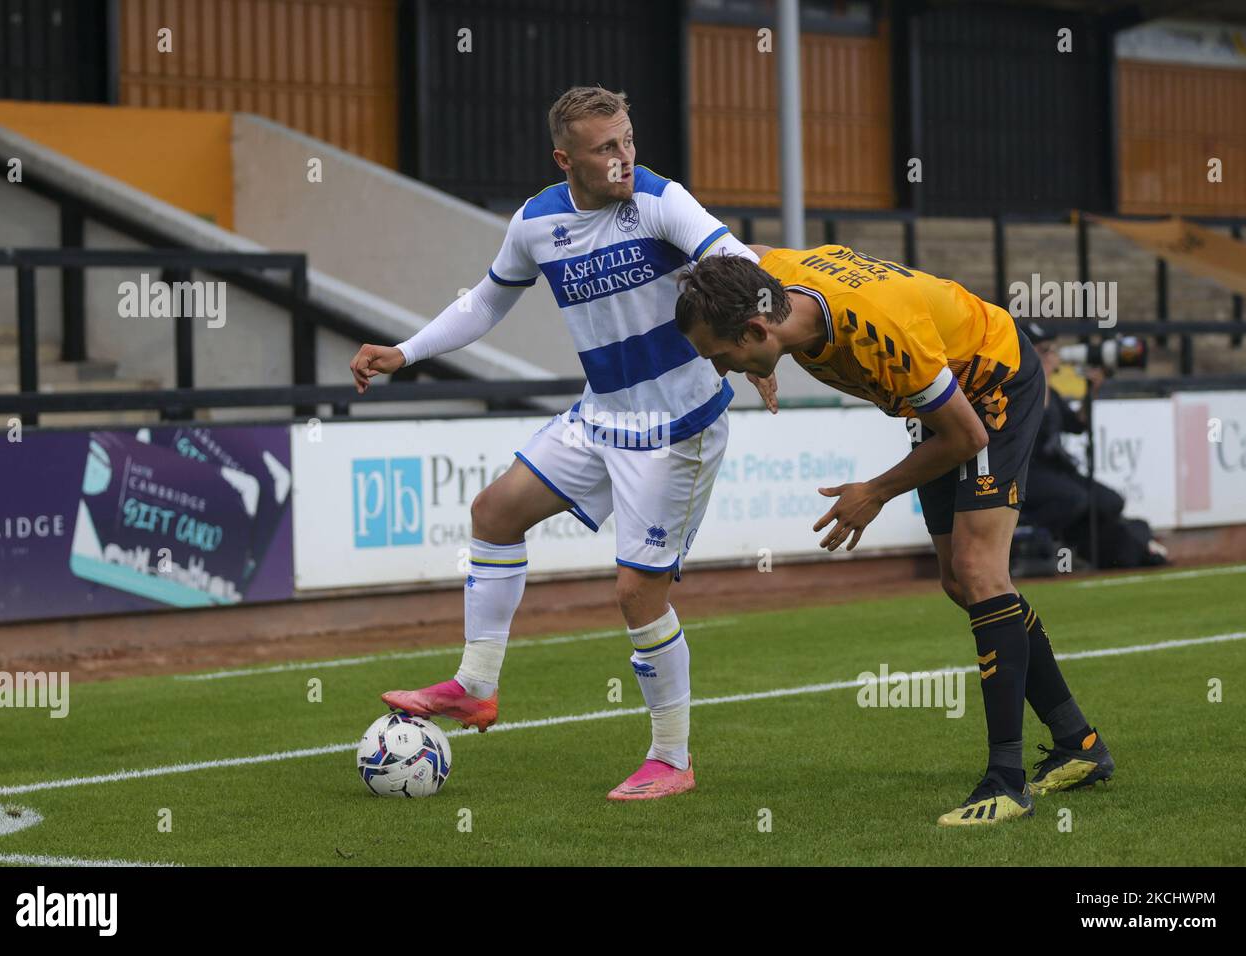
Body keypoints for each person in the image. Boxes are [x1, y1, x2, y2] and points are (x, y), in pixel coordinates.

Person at [348, 87, 774, 801]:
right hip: (601, 415)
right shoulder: (537, 222)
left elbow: (739, 263)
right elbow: (486, 299)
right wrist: (405, 351)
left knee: (637, 592)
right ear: (565, 158)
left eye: (628, 140)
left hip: (676, 430)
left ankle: (671, 758)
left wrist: (766, 344)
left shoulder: (660, 201)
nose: (624, 158)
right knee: (493, 513)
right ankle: (476, 686)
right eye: (606, 148)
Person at [673, 245, 1114, 826]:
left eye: (723, 355)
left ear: (756, 327)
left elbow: (966, 436)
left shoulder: (880, 333)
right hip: (936, 395)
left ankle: (1007, 782)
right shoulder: (768, 276)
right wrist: (766, 358)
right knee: (960, 582)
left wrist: (875, 491)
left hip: (990, 382)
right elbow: (732, 256)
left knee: (982, 573)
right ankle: (1077, 744)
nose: (721, 367)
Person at [1019, 325, 1169, 568]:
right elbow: (1034, 426)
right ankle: (1046, 546)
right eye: (1044, 351)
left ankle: (1097, 550)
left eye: (1051, 351)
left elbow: (1077, 425)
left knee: (1110, 501)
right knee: (1075, 499)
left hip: (1057, 470)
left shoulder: (1052, 392)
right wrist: (1040, 377)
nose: (1052, 357)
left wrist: (1093, 389)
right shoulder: (1020, 391)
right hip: (1029, 473)